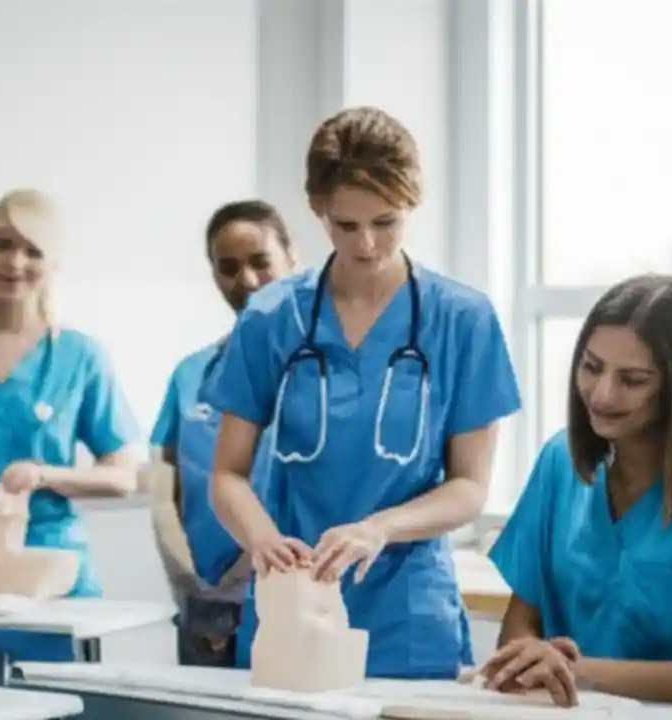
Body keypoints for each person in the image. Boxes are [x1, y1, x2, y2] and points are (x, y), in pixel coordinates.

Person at [206, 106, 521, 678]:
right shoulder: (273, 316)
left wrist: (378, 528)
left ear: (412, 204)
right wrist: (262, 539)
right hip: (293, 600)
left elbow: (470, 488)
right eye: (346, 225)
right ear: (318, 210)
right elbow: (227, 474)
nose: (368, 244)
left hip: (408, 613)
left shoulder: (462, 320)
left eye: (387, 221)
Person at [483, 275, 672, 711]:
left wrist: (575, 670)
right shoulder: (560, 463)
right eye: (591, 367)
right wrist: (529, 657)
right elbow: (520, 629)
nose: (601, 395)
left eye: (632, 380)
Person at [0, 188, 140, 599]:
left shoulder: (79, 357)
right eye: (3, 245)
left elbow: (123, 476)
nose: (14, 262)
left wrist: (42, 475)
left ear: (53, 263)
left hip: (48, 568)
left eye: (32, 251)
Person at [149, 200, 296, 666]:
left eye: (260, 262)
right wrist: (190, 577)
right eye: (227, 267)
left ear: (291, 259)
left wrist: (241, 573)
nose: (246, 281)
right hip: (200, 603)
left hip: (282, 595)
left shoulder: (318, 373)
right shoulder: (193, 372)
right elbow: (162, 483)